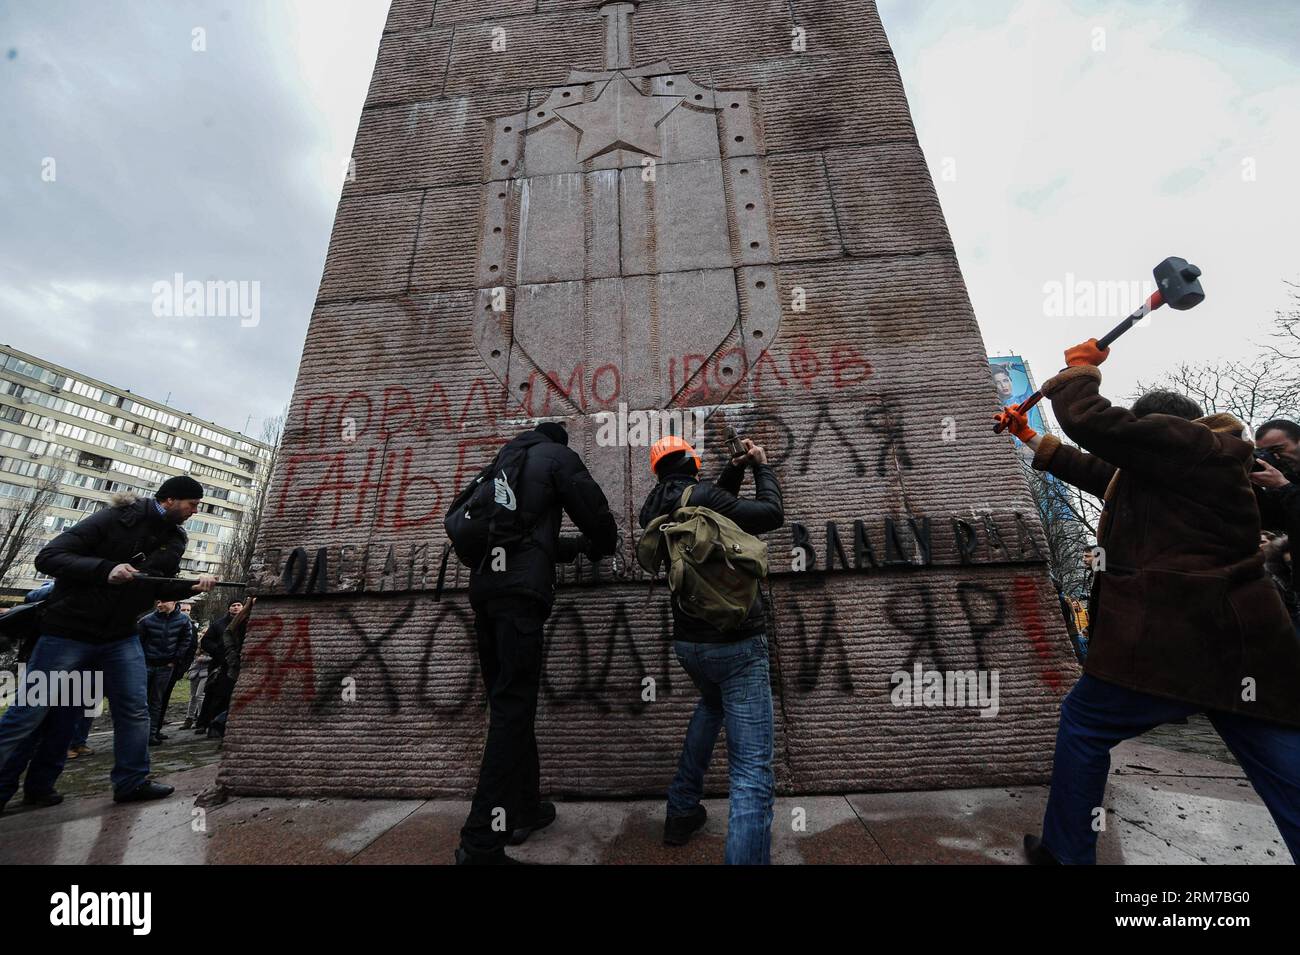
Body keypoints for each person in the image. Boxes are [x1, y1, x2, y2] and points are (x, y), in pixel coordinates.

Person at [995, 340, 1300, 864]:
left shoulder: (1192, 447)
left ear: (1162, 430)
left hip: (1175, 638)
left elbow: (1091, 422)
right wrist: (1029, 437)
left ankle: (1067, 854)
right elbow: (1096, 472)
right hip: (1242, 648)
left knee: (1085, 725)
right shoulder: (1185, 470)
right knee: (1283, 765)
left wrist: (1080, 372)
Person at [456, 422, 618, 865]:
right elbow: (593, 511)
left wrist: (574, 549)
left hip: (486, 595)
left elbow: (528, 538)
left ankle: (522, 807)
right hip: (520, 600)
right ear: (558, 441)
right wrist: (604, 543)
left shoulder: (501, 466)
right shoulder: (556, 457)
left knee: (510, 706)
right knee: (512, 710)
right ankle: (479, 843)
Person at [0, 476, 218, 804]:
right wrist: (106, 569)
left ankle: (132, 782)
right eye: (192, 504)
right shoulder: (116, 517)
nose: (195, 511)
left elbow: (156, 586)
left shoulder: (175, 539)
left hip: (119, 635)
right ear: (171, 499)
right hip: (68, 633)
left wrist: (192, 586)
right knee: (30, 711)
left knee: (133, 708)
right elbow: (49, 557)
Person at [638, 434, 784, 864]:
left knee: (711, 706)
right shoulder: (701, 493)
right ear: (692, 462)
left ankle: (682, 809)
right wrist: (760, 465)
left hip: (690, 645)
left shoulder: (654, 506)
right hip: (736, 644)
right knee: (752, 771)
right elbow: (768, 515)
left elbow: (714, 517)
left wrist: (734, 470)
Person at [137, 599, 197, 745]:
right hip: (147, 664)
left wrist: (174, 661)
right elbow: (138, 642)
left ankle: (151, 734)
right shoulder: (147, 620)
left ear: (173, 602)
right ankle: (138, 734)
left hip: (166, 666)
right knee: (140, 700)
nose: (159, 605)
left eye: (163, 602)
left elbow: (186, 641)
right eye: (158, 601)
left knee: (157, 701)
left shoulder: (183, 621)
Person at [194, 599, 243, 734]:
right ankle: (205, 723)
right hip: (220, 665)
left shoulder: (246, 621)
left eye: (239, 605)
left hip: (237, 664)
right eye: (233, 605)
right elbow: (206, 641)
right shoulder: (218, 624)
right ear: (229, 608)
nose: (236, 608)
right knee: (213, 694)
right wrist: (219, 651)